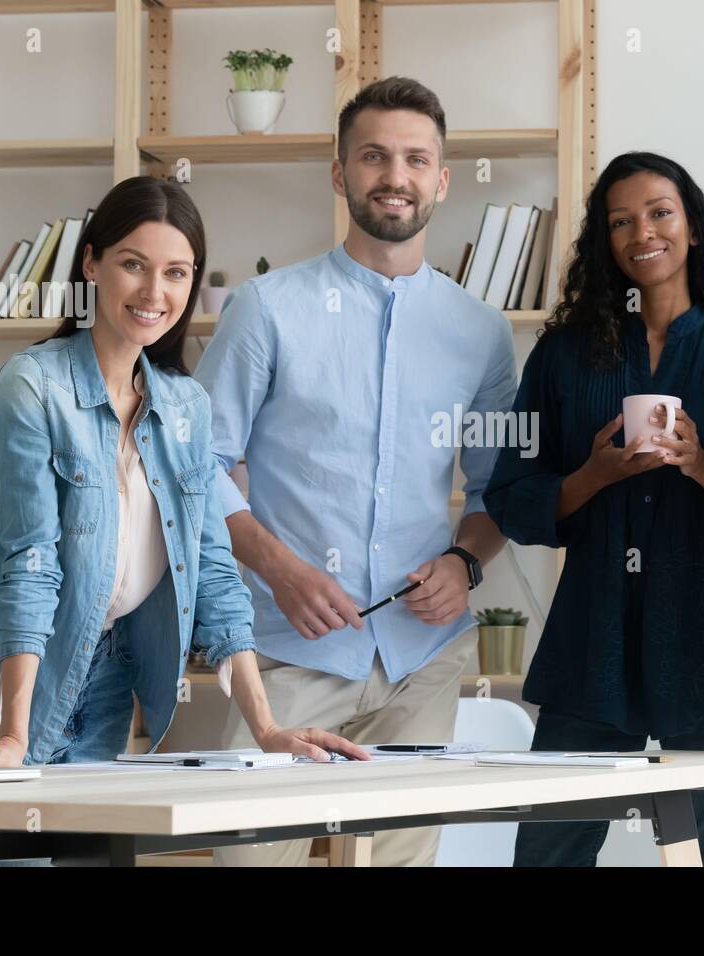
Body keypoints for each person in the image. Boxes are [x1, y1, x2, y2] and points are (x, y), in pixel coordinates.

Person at [0, 176, 366, 772]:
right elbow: (30, 563)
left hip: (106, 673)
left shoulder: (185, 407)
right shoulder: (31, 388)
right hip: (5, 677)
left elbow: (214, 570)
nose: (154, 291)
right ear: (91, 263)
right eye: (134, 264)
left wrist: (266, 729)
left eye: (177, 272)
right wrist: (14, 737)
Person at [193, 76, 517, 867]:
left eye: (415, 160)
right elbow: (193, 466)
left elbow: (500, 490)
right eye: (373, 156)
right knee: (247, 862)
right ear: (340, 173)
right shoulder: (266, 309)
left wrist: (464, 560)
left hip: (422, 659)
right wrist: (283, 568)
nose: (394, 177)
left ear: (442, 180)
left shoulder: (481, 332)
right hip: (288, 655)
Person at [484, 151, 704, 867]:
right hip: (591, 643)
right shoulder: (562, 358)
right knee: (548, 857)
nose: (640, 232)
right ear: (605, 242)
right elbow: (510, 499)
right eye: (620, 221)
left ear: (692, 227)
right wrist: (591, 475)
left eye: (659, 213)